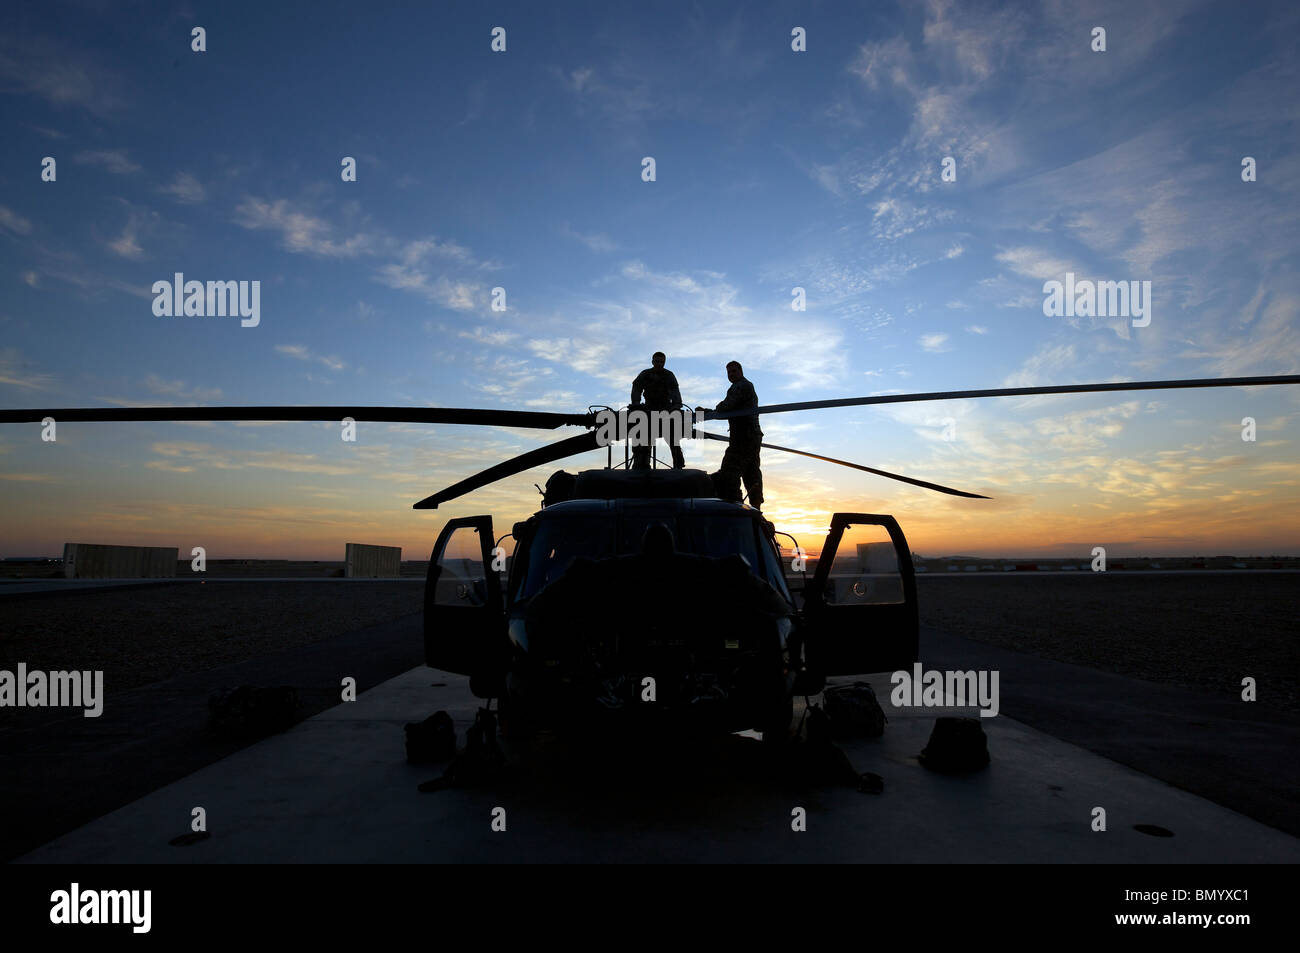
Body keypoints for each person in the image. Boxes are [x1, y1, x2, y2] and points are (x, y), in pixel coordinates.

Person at [697, 361, 763, 509]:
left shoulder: (742, 386)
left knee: (729, 473)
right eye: (729, 372)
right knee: (751, 472)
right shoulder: (742, 386)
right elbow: (728, 410)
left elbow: (726, 406)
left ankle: (736, 507)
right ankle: (756, 509)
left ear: (741, 371)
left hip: (743, 438)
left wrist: (713, 410)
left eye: (734, 371)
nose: (731, 374)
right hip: (748, 437)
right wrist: (709, 411)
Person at [629, 352, 685, 469]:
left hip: (666, 409)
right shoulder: (645, 374)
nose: (659, 364)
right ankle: (641, 465)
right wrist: (636, 404)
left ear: (664, 362)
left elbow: (675, 391)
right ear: (652, 362)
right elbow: (636, 387)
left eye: (662, 362)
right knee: (643, 437)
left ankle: (678, 466)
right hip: (648, 409)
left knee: (673, 440)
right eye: (657, 361)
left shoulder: (669, 375)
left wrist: (676, 406)